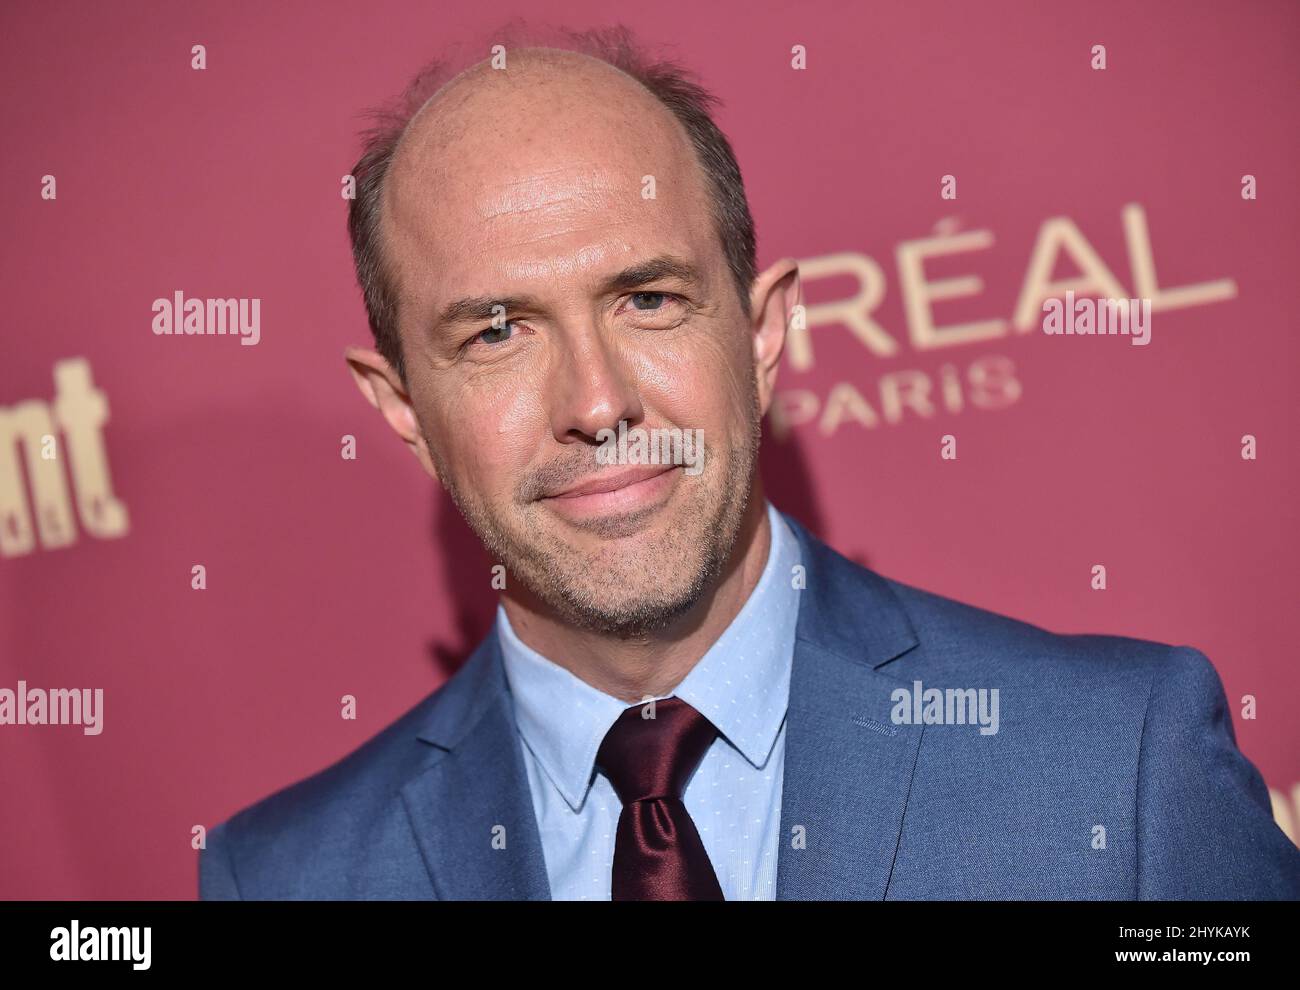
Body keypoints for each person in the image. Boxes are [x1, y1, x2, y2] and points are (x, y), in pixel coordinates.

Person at [199, 24, 1300, 900]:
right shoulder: (286, 878)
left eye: (648, 299)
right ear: (399, 405)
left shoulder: (1117, 761)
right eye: (496, 332)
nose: (597, 402)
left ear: (763, 335)